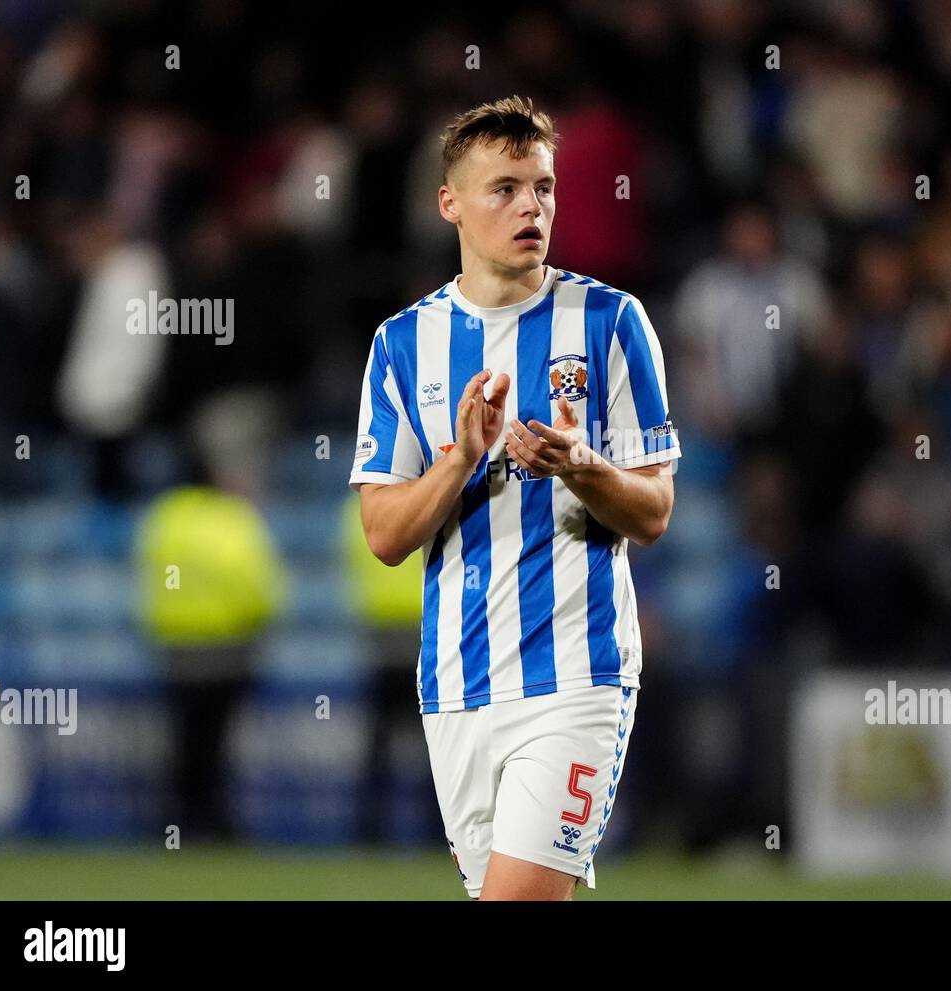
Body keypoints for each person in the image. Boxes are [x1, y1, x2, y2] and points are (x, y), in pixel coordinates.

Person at [348, 95, 680, 900]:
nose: (532, 205)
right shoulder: (402, 344)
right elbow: (385, 535)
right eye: (505, 188)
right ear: (450, 204)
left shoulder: (610, 323)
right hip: (457, 685)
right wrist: (461, 456)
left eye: (544, 186)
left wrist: (581, 466)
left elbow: (655, 511)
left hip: (578, 675)